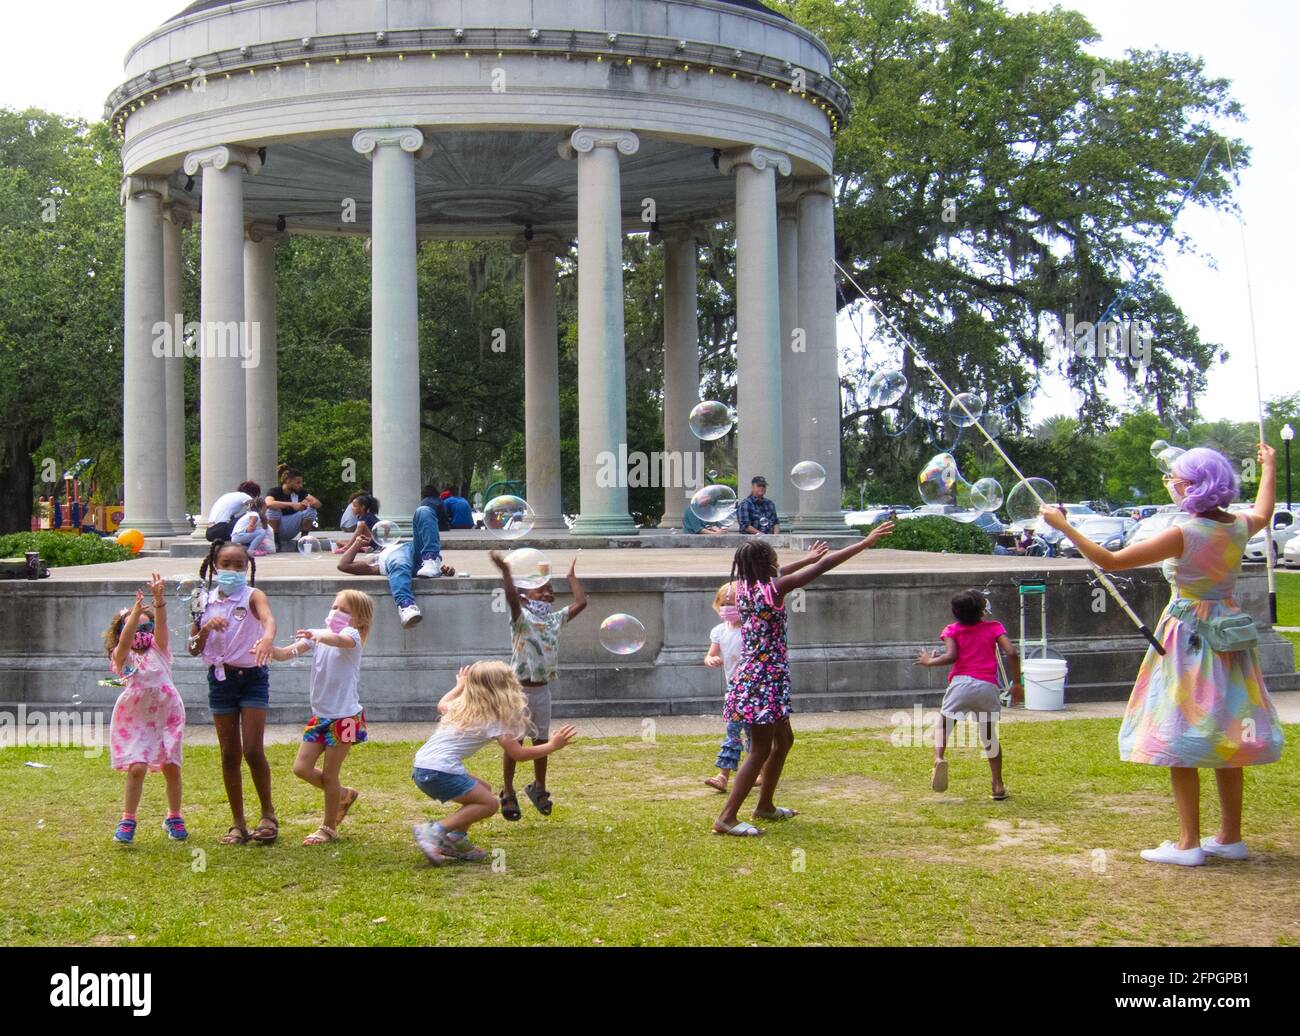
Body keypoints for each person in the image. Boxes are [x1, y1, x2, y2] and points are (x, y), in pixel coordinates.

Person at [1039, 444, 1285, 866]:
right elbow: (1264, 509)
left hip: (1189, 638)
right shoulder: (1238, 526)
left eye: (1173, 478)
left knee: (1180, 731)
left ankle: (1188, 843)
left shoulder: (1185, 533)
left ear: (1192, 485)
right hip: (1229, 633)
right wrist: (1270, 467)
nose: (1169, 483)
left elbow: (1111, 560)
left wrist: (1064, 527)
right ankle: (1230, 836)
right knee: (1227, 733)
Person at [713, 526, 894, 836]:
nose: (778, 562)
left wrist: (805, 558)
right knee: (760, 748)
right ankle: (726, 817)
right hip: (763, 681)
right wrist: (864, 543)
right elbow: (822, 567)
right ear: (766, 564)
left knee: (784, 741)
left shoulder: (744, 587)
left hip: (762, 677)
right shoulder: (773, 590)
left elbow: (783, 572)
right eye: (774, 558)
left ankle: (765, 806)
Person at [411, 661, 577, 865]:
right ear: (504, 690)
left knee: (483, 789)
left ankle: (455, 839)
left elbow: (441, 704)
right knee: (488, 804)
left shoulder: (461, 707)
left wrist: (459, 685)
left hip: (423, 766)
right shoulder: (495, 720)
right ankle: (434, 831)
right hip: (439, 771)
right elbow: (519, 754)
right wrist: (552, 745)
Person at [487, 549, 587, 820]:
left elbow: (581, 602)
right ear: (525, 597)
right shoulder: (522, 619)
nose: (546, 594)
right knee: (515, 741)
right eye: (539, 591)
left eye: (549, 590)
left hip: (542, 689)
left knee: (542, 740)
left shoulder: (554, 619)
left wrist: (571, 578)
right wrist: (506, 572)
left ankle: (539, 785)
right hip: (518, 691)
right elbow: (511, 599)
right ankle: (507, 790)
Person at [190, 540, 279, 845]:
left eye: (238, 565)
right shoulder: (203, 601)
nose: (232, 570)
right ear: (215, 566)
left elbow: (268, 620)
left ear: (247, 568)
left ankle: (268, 814)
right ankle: (237, 823)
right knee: (230, 753)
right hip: (221, 679)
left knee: (253, 749)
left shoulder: (253, 595)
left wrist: (267, 639)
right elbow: (192, 648)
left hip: (252, 676)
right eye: (226, 565)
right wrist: (204, 629)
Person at [275, 589, 374, 846]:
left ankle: (328, 828)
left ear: (360, 620)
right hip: (321, 717)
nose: (336, 613)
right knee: (301, 768)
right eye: (335, 607)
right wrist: (267, 649)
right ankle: (342, 794)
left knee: (330, 774)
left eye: (345, 610)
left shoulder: (351, 636)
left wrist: (317, 634)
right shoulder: (317, 636)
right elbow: (287, 653)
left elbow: (338, 640)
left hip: (346, 720)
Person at [914, 589, 1022, 800]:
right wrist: (1017, 683)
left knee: (944, 725)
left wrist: (929, 661)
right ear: (982, 611)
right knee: (989, 736)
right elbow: (1012, 653)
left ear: (955, 612)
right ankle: (998, 785)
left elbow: (952, 656)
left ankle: (939, 758)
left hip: (961, 685)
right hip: (987, 686)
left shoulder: (951, 630)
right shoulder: (994, 627)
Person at [102, 573, 187, 843]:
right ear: (121, 632)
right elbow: (125, 644)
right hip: (136, 715)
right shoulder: (122, 659)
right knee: (136, 766)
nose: (143, 633)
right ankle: (128, 819)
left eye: (145, 628)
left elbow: (161, 625)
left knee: (171, 765)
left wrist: (158, 601)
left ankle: (174, 815)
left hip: (166, 713)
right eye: (135, 628)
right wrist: (135, 612)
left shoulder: (159, 650)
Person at [336, 505, 454, 628]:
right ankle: (406, 606)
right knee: (399, 561)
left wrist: (442, 569)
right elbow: (343, 565)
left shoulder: (400, 547)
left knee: (423, 511)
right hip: (400, 562)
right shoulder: (379, 561)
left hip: (417, 554)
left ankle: (431, 559)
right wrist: (356, 544)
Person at [703, 582, 750, 792]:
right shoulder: (719, 631)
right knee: (732, 733)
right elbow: (710, 654)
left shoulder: (751, 630)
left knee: (754, 736)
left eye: (734, 603)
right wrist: (710, 659)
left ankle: (759, 772)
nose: (728, 607)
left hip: (754, 690)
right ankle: (722, 776)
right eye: (725, 603)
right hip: (733, 691)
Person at [266, 465, 321, 550]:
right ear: (288, 481)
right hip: (277, 526)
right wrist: (292, 504)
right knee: (273, 509)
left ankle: (303, 540)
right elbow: (268, 503)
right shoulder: (275, 491)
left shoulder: (300, 492)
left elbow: (318, 503)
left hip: (292, 526)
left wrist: (307, 504)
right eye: (298, 482)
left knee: (311, 510)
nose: (300, 485)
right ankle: (276, 541)